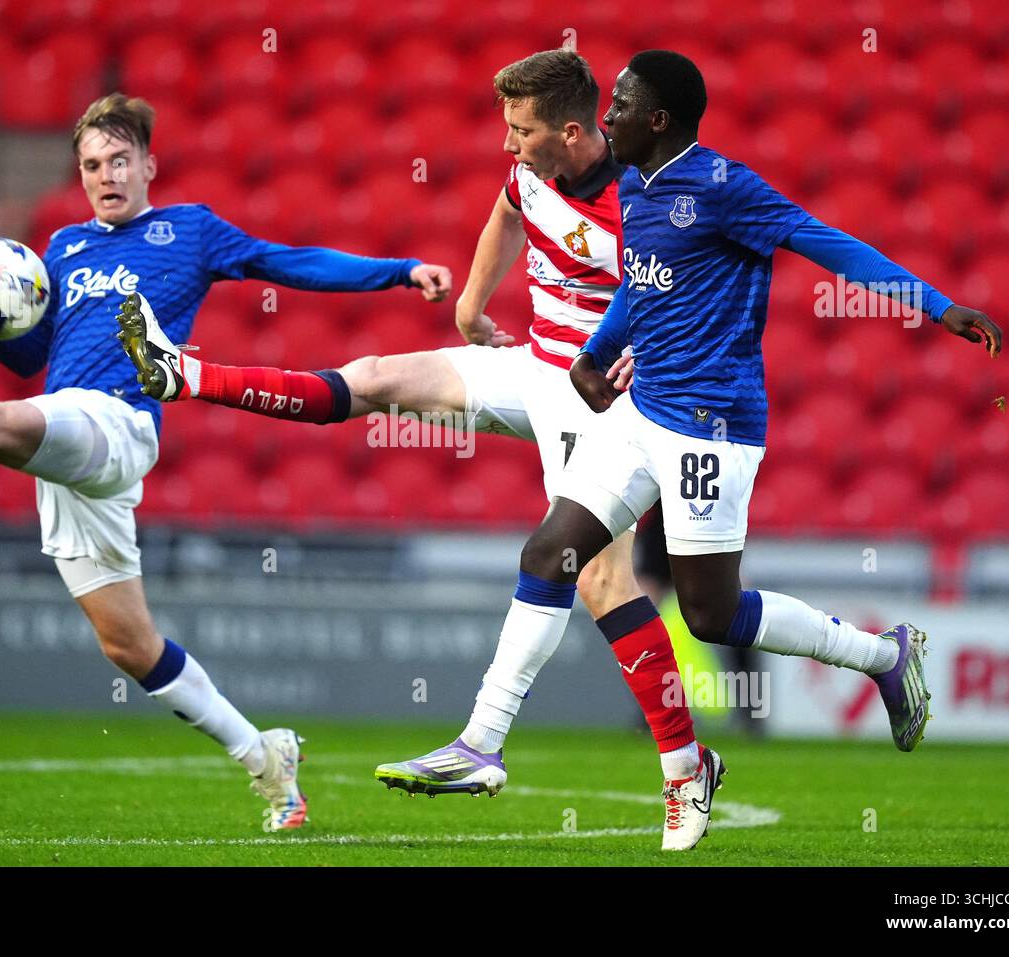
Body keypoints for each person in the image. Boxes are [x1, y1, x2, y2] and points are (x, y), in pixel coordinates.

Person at [0, 92, 453, 832]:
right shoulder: (64, 250)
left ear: (147, 164)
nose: (105, 175)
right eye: (91, 165)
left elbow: (288, 263)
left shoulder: (190, 231)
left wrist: (399, 269)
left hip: (121, 423)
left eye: (118, 161)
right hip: (67, 439)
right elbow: (34, 359)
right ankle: (267, 758)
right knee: (129, 644)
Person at [375, 48, 1002, 827]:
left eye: (623, 106)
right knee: (549, 553)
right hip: (640, 417)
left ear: (658, 119)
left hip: (712, 427)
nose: (607, 119)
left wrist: (935, 304)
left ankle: (883, 654)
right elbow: (644, 285)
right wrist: (594, 358)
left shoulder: (724, 188)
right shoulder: (635, 188)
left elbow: (825, 242)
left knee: (710, 612)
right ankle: (481, 742)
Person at [116, 51, 720, 850]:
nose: (508, 144)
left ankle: (681, 767)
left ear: (572, 132)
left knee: (603, 580)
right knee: (370, 377)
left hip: (601, 399)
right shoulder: (533, 172)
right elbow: (509, 208)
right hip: (530, 366)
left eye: (521, 130)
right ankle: (188, 372)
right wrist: (474, 303)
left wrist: (646, 364)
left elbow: (686, 301)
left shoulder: (638, 205)